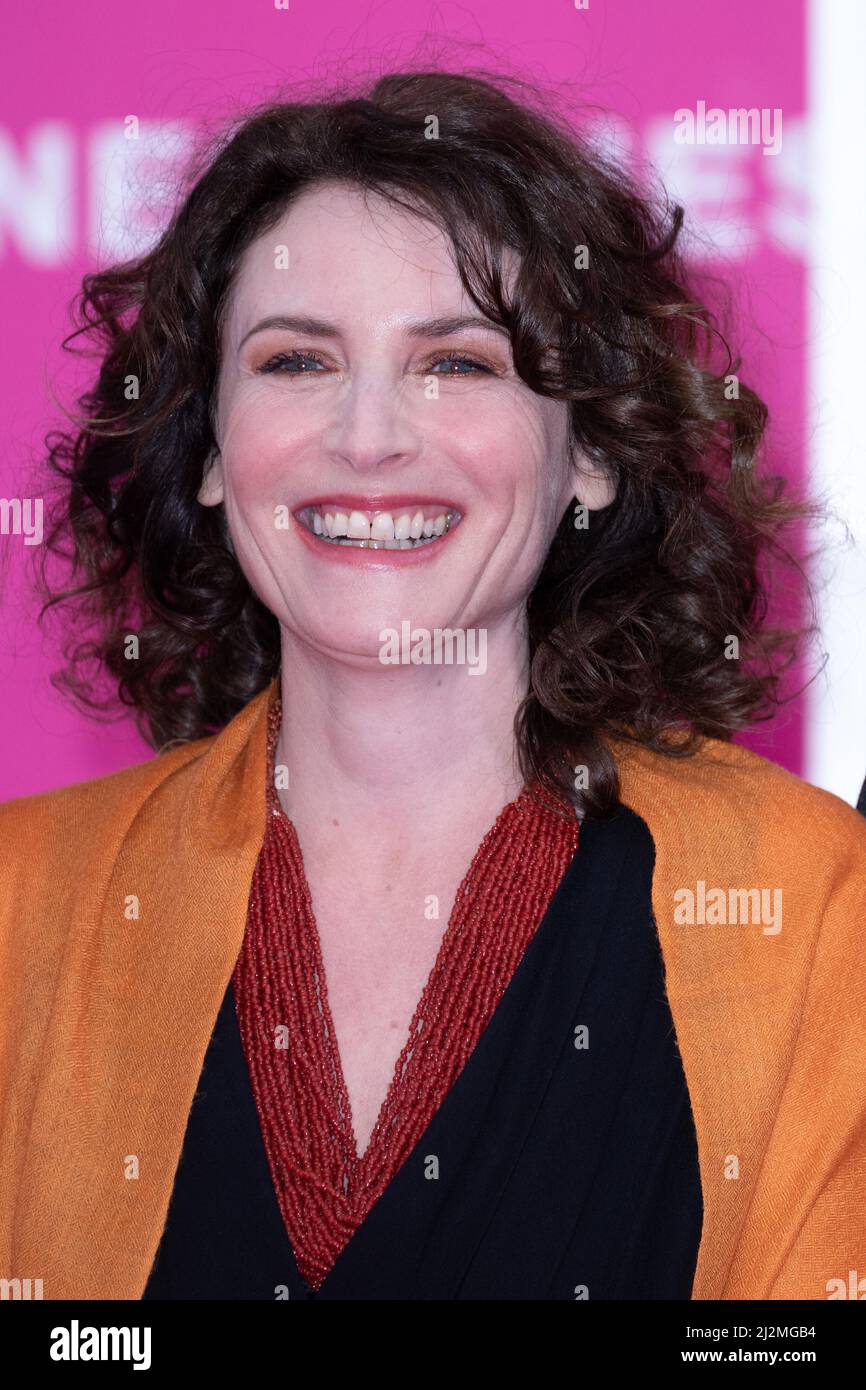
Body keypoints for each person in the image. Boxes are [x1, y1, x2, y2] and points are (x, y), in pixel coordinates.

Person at [1, 68, 865, 1302]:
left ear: (592, 458)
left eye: (456, 364)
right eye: (297, 361)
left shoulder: (812, 900)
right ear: (205, 455)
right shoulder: (20, 903)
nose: (367, 438)